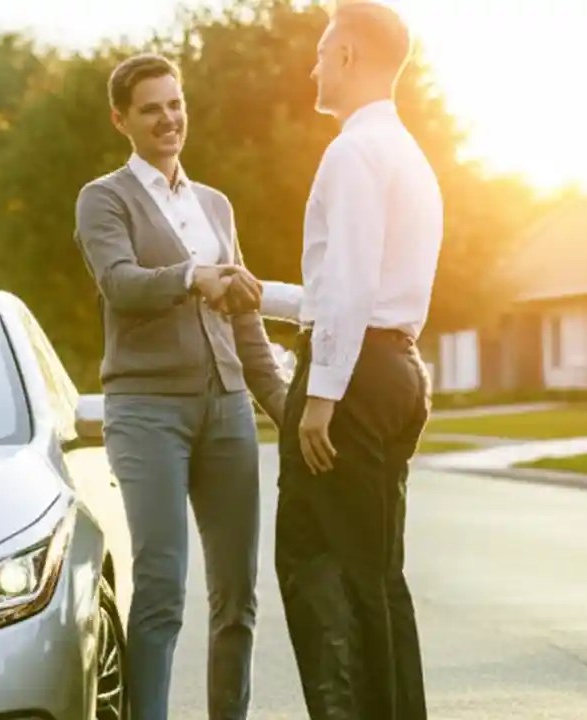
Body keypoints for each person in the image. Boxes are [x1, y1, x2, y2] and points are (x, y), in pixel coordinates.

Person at [226, 2, 443, 717]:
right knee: (377, 574)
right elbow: (353, 289)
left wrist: (320, 396)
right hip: (392, 365)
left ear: (349, 55)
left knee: (321, 572)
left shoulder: (352, 152)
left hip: (350, 379)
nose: (313, 65)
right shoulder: (408, 154)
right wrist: (266, 298)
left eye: (321, 51)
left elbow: (349, 284)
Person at [72, 53, 288, 720]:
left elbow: (245, 319)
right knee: (162, 586)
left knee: (237, 595)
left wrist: (286, 406)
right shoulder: (104, 198)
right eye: (151, 108)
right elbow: (120, 283)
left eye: (176, 104)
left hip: (227, 409)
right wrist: (193, 276)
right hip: (147, 410)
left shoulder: (215, 204)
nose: (169, 118)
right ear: (121, 119)